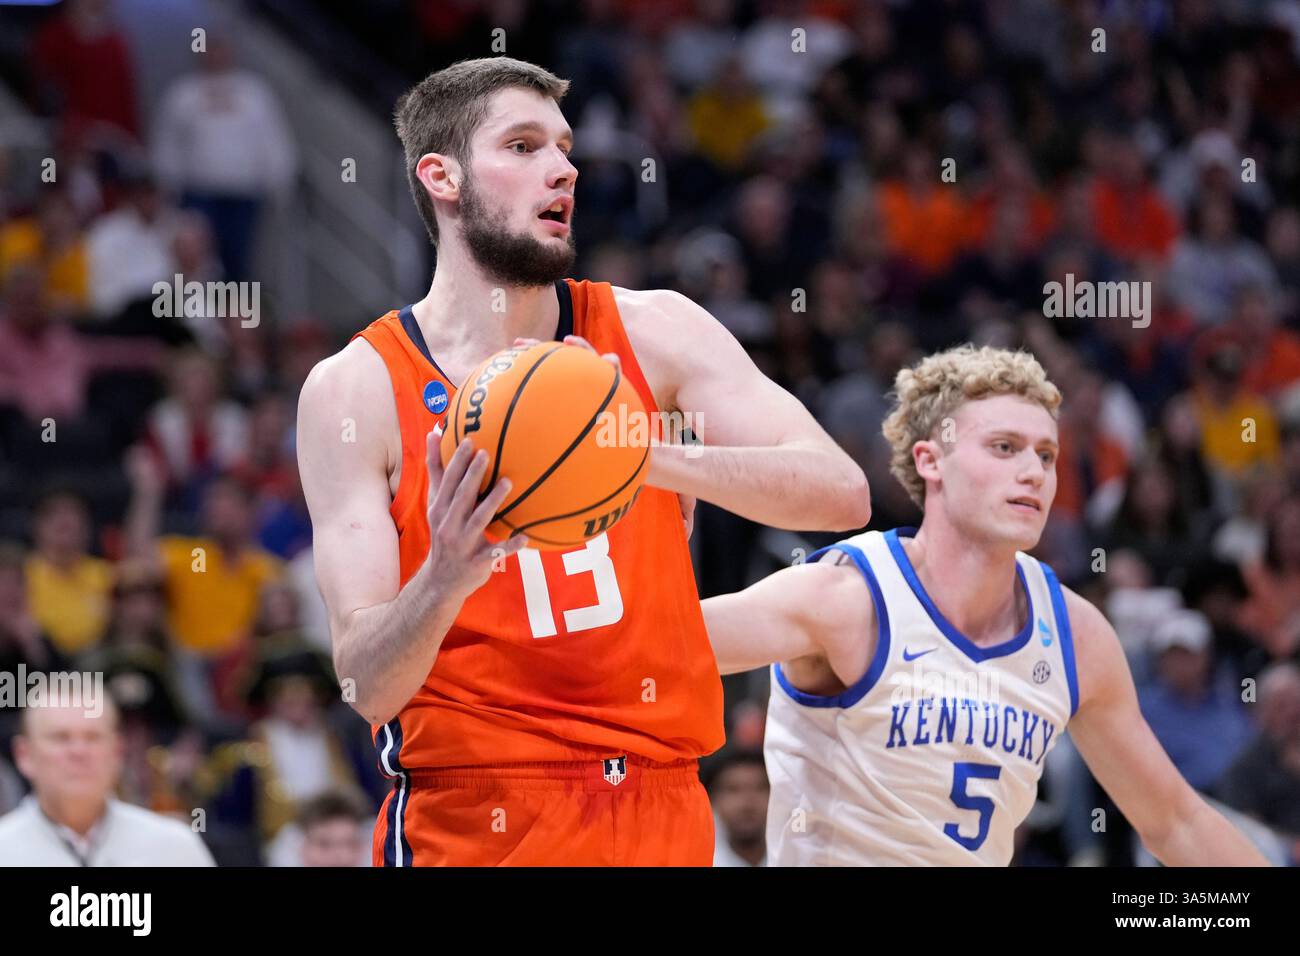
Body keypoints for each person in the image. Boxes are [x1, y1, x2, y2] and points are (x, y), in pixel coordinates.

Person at [296, 57, 869, 867]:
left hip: (659, 799)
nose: (563, 168)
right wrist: (447, 573)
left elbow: (840, 493)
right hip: (474, 815)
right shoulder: (354, 389)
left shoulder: (654, 330)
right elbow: (364, 685)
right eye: (524, 146)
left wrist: (643, 455)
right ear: (442, 176)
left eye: (564, 149)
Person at [702, 344, 1269, 865]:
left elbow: (1174, 820)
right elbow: (659, 648)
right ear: (931, 461)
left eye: (1046, 455)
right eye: (1005, 448)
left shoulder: (1074, 632)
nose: (1033, 472)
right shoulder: (847, 596)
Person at [0, 698, 215, 866]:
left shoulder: (175, 847)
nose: (79, 752)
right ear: (24, 754)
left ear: (117, 751)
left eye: (93, 737)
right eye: (60, 738)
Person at [703, 748, 768, 866]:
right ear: (712, 799)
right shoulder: (697, 860)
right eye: (733, 790)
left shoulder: (801, 855)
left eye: (760, 788)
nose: (747, 803)